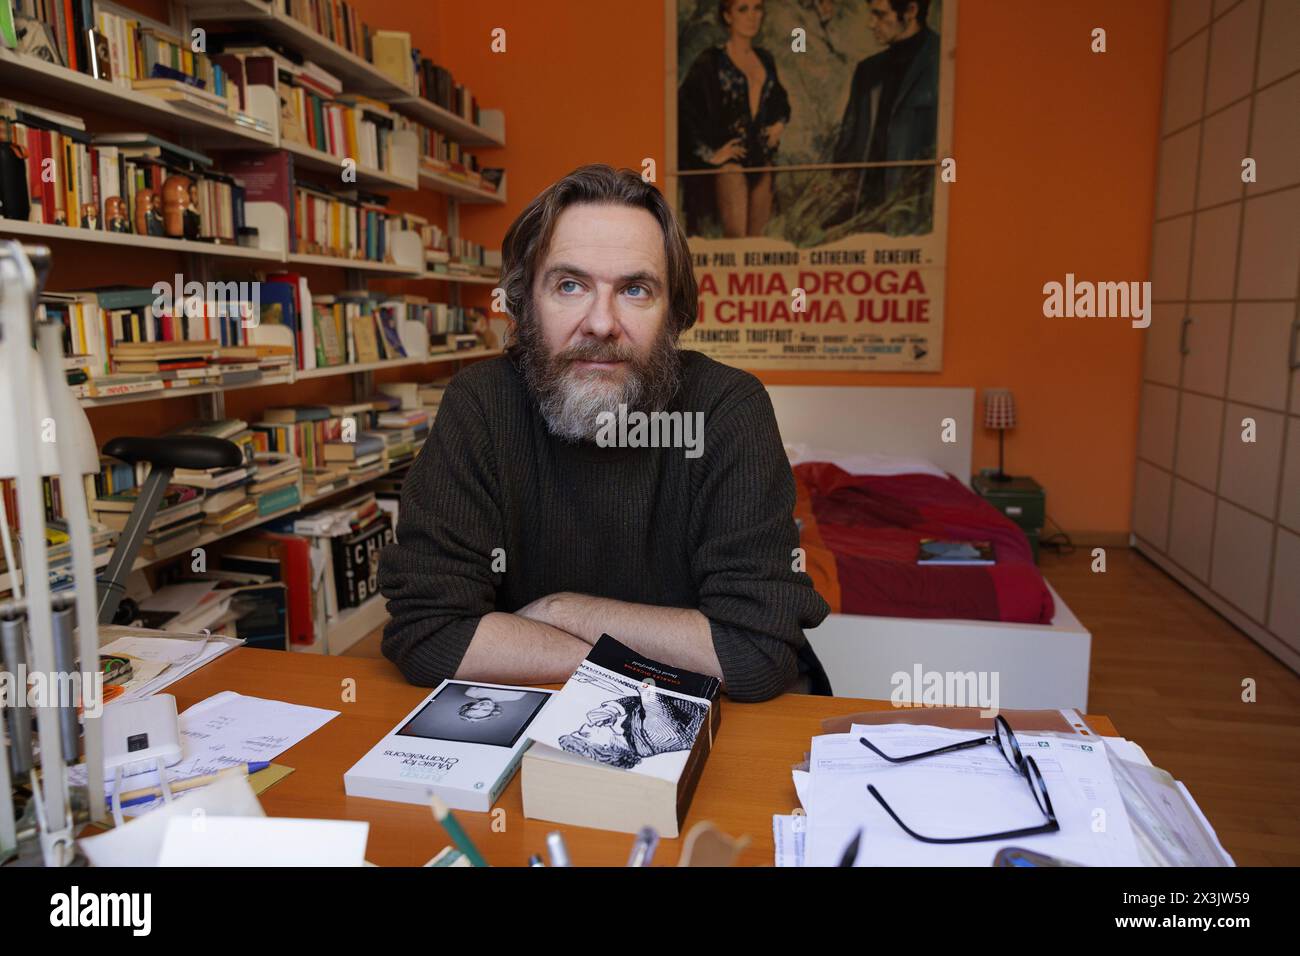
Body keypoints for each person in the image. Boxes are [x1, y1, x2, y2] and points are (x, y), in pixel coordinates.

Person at [379, 164, 830, 703]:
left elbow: (754, 653)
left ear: (673, 315)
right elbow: (428, 633)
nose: (600, 322)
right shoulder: (481, 404)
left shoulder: (728, 407)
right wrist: (639, 662)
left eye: (635, 290)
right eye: (570, 285)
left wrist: (560, 612)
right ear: (524, 305)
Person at [677, 0, 791, 237]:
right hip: (732, 166)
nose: (752, 16)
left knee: (755, 249)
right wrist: (711, 154)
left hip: (763, 160)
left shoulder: (765, 59)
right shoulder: (711, 61)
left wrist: (779, 124)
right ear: (728, 16)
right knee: (736, 244)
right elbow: (685, 110)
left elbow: (781, 101)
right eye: (743, 9)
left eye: (757, 8)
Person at [828, 0, 940, 227]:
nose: (871, 24)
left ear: (910, 11)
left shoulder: (942, 62)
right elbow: (847, 149)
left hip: (914, 216)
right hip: (861, 217)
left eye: (880, 15)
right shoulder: (868, 71)